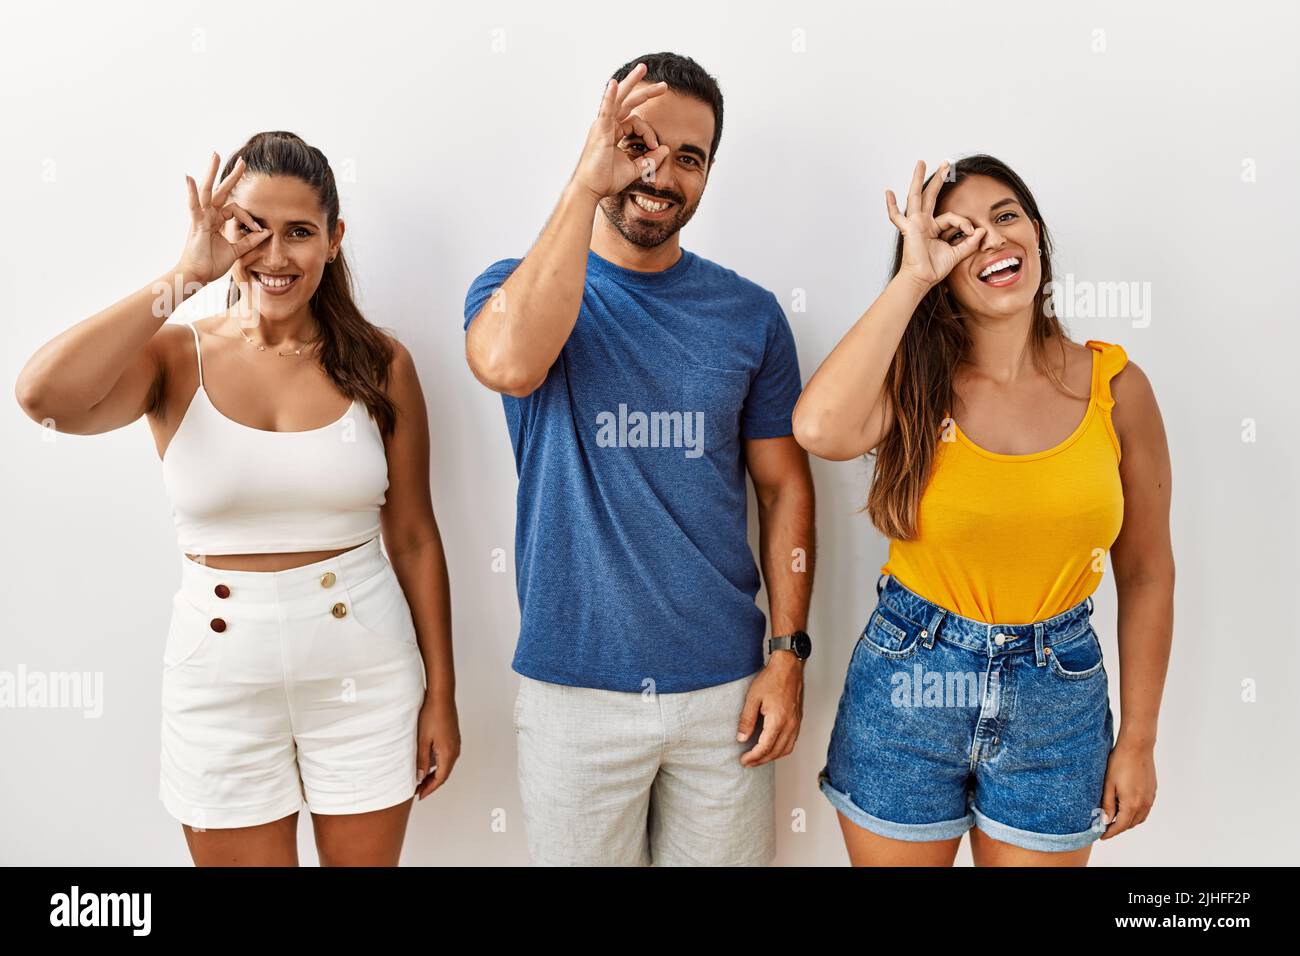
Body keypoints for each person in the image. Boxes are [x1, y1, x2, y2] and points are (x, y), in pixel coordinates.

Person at [15, 131, 459, 866]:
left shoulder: (383, 365)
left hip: (365, 669)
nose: (276, 257)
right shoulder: (174, 355)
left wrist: (442, 694)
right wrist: (184, 276)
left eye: (299, 233)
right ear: (224, 231)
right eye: (252, 230)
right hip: (218, 679)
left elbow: (413, 535)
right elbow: (42, 396)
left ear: (334, 239)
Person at [463, 54, 815, 866]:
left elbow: (784, 485)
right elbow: (510, 363)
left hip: (724, 690)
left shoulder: (751, 315)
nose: (659, 173)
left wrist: (788, 655)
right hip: (572, 693)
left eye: (689, 157)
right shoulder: (513, 284)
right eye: (638, 143)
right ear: (601, 140)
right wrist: (586, 183)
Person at [794, 155, 1174, 866]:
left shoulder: (1117, 388)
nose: (991, 239)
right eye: (958, 232)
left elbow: (1149, 572)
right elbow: (818, 428)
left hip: (1058, 697)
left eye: (1006, 216)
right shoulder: (912, 384)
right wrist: (912, 277)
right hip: (909, 680)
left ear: (1036, 232)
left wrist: (1140, 742)